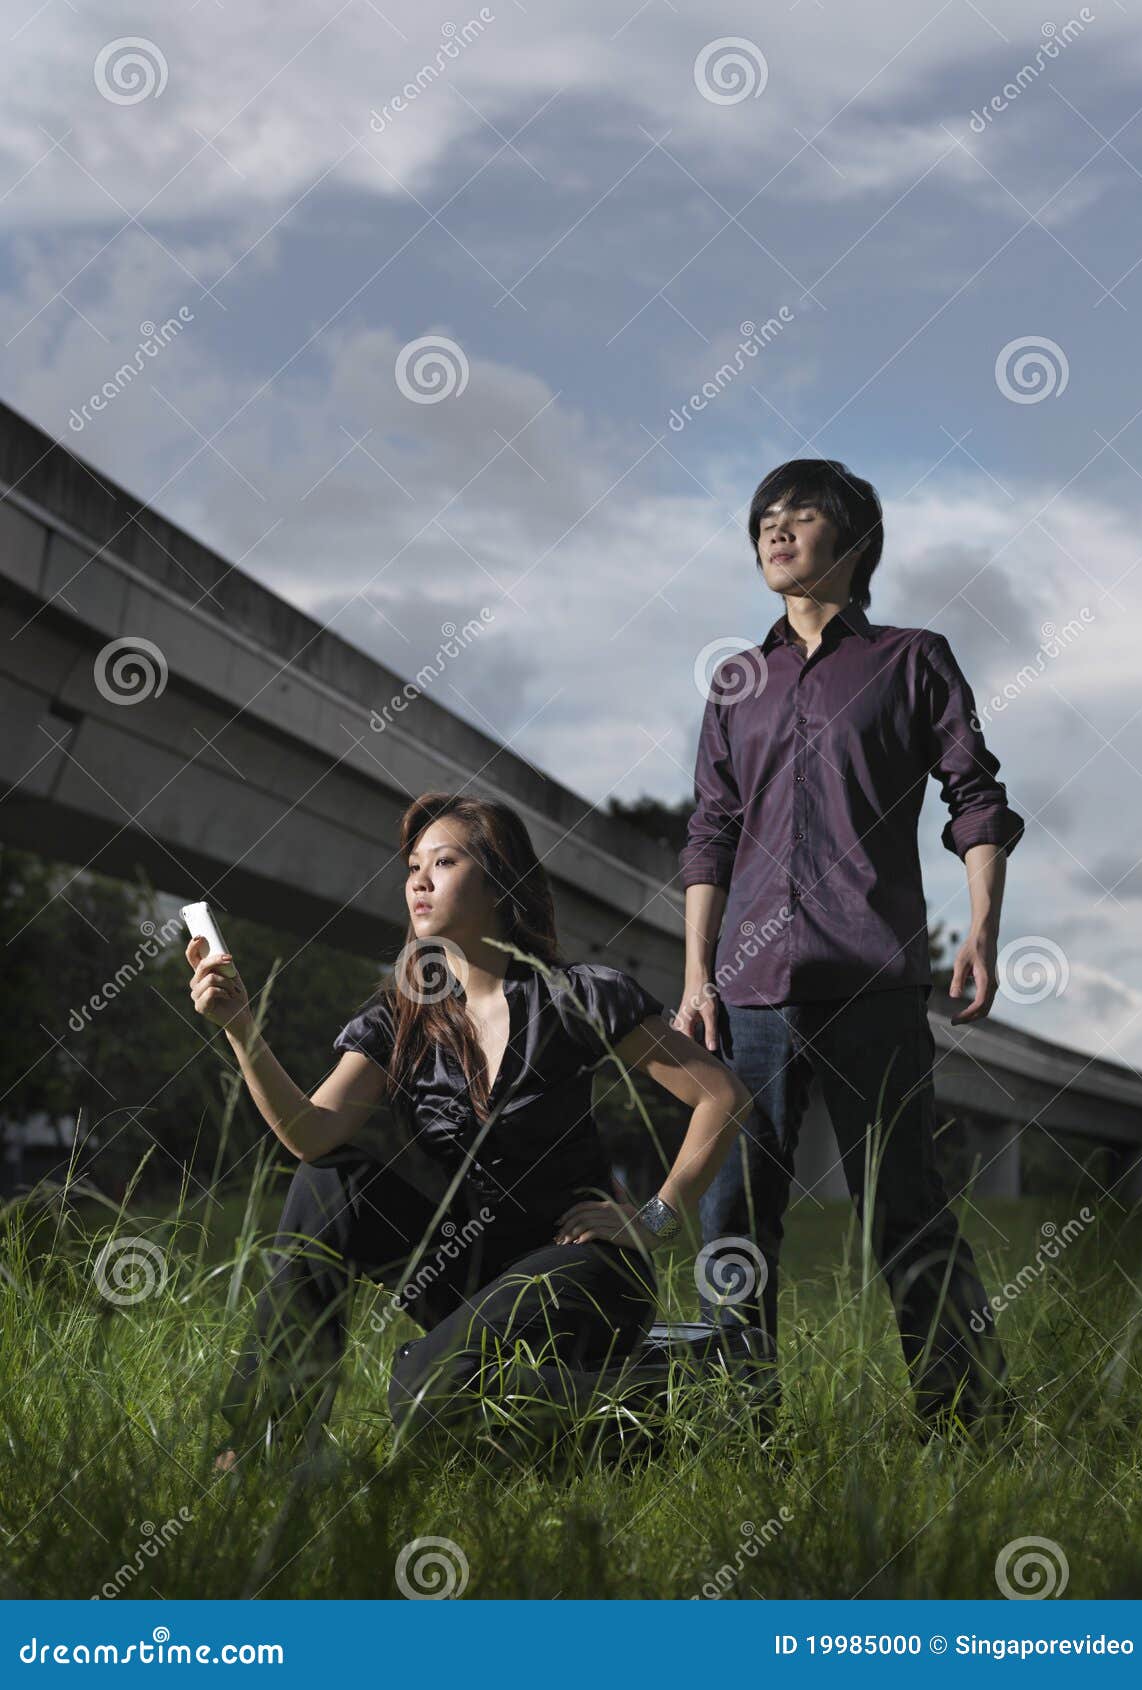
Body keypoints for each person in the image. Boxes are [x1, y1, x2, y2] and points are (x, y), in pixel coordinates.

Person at [189, 792, 753, 1470]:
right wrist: (241, 1029)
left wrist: (657, 1218)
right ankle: (265, 1443)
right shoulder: (402, 1017)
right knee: (326, 1181)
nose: (419, 881)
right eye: (413, 867)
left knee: (422, 1393)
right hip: (471, 1269)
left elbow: (722, 1096)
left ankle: (668, 1402)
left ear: (499, 884)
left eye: (444, 862)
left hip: (581, 1264)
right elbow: (310, 1134)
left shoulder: (575, 995)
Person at [675, 457, 1022, 1437]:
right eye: (763, 519)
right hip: (748, 993)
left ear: (854, 539)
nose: (774, 530)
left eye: (799, 514)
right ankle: (741, 1424)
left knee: (903, 1205)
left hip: (872, 977)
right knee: (732, 1216)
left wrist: (981, 929)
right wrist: (696, 973)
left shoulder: (911, 660)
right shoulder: (735, 681)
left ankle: (968, 1419)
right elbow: (709, 829)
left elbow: (973, 796)